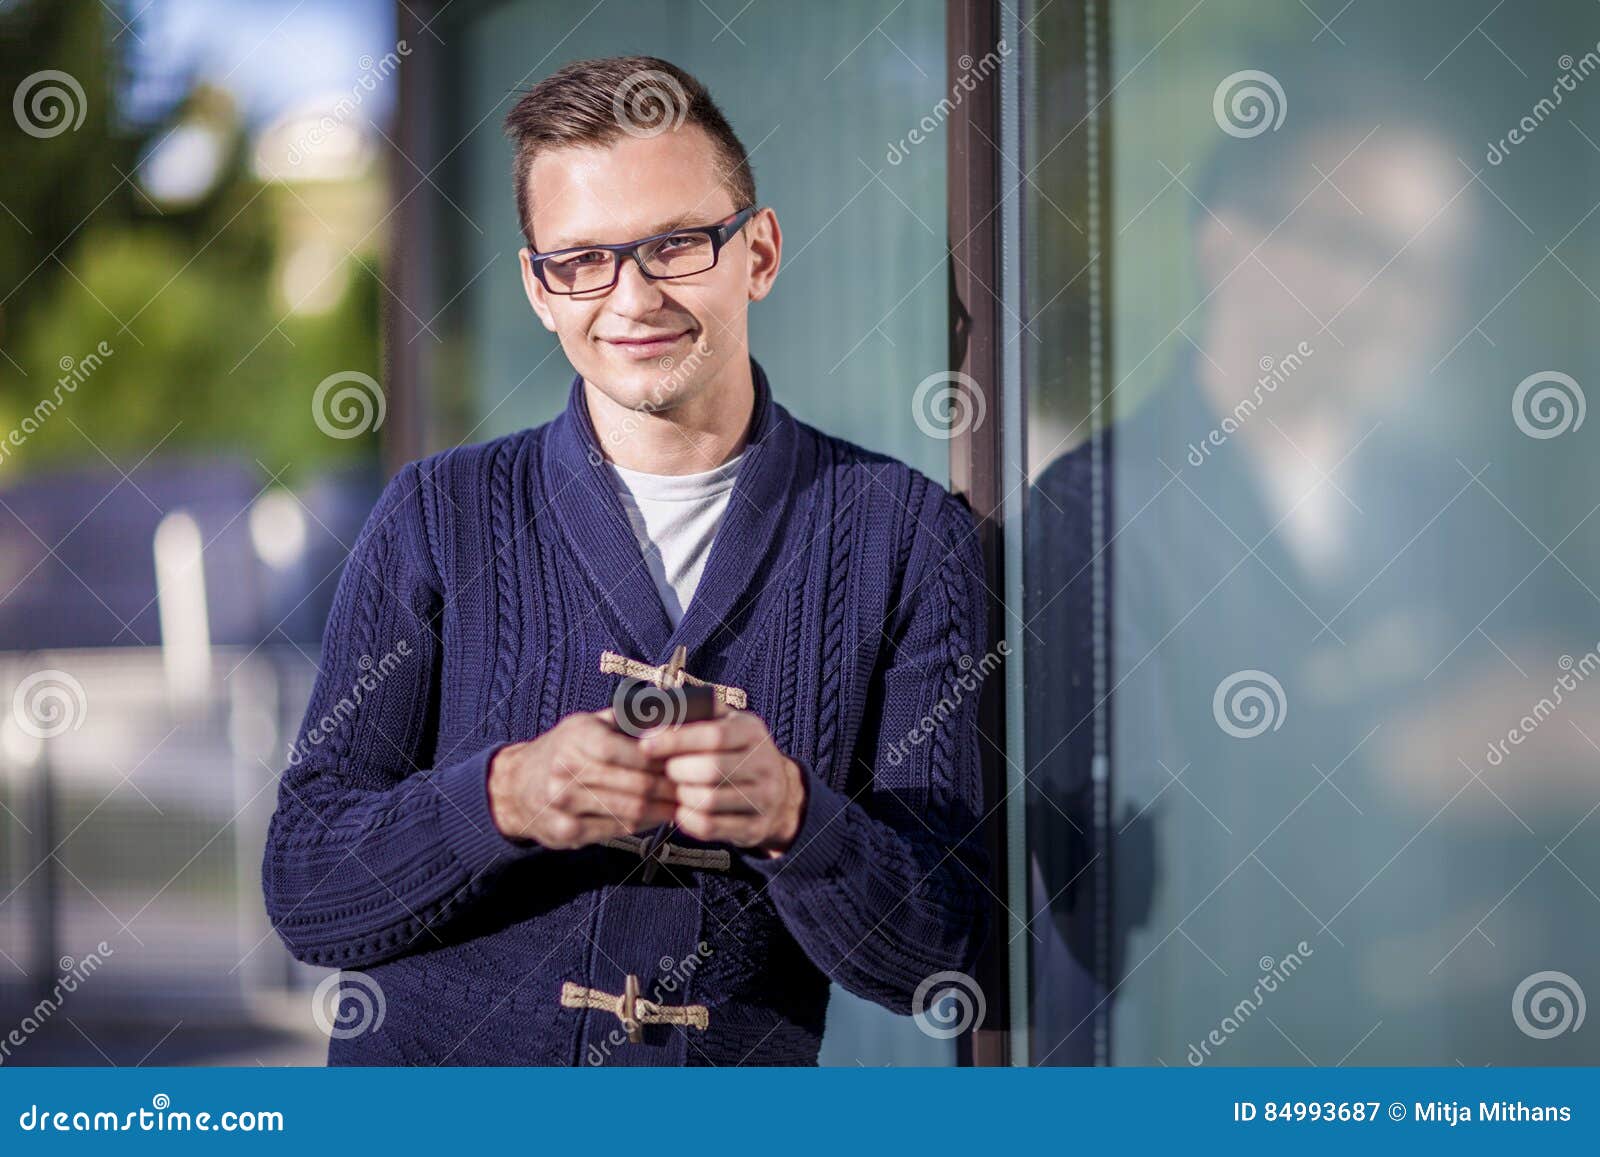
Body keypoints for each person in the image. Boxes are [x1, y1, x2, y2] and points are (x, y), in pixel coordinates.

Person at [260, 55, 990, 1066]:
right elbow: (306, 887)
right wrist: (503, 796)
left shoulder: (905, 537)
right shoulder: (436, 514)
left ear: (759, 253)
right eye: (581, 261)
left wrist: (795, 819)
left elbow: (942, 951)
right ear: (539, 288)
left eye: (676, 244)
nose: (633, 298)